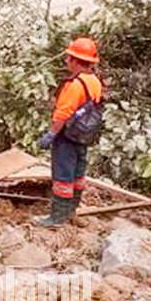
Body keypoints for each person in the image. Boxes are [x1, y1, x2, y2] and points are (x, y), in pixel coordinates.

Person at [36, 36, 104, 226]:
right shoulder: (95, 81)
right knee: (78, 174)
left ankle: (57, 217)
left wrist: (51, 134)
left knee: (63, 176)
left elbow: (63, 114)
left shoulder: (75, 84)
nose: (66, 61)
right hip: (85, 135)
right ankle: (71, 211)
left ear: (76, 61)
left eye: (69, 58)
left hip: (67, 135)